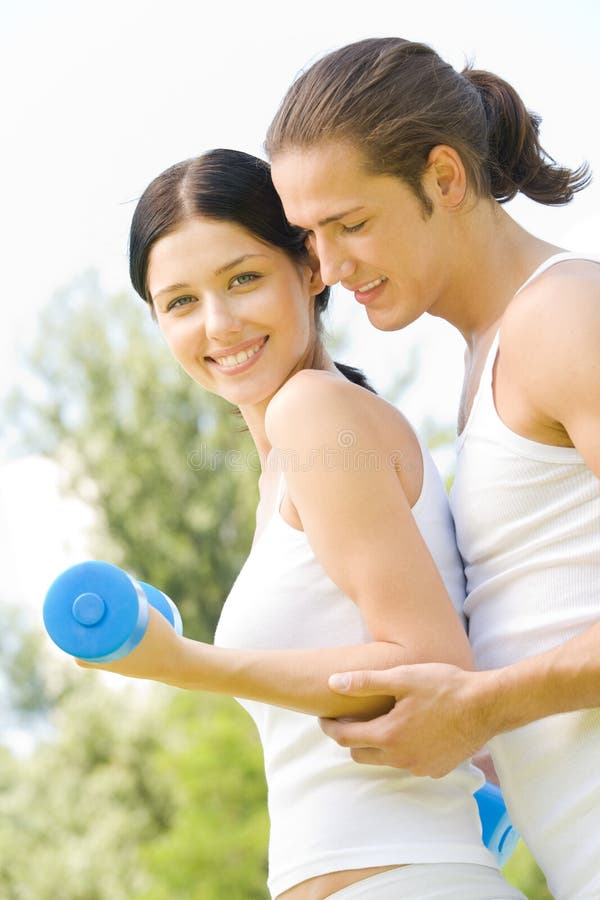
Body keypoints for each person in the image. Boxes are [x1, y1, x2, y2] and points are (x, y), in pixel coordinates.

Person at [77, 148, 524, 900]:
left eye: (242, 279)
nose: (219, 324)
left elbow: (429, 665)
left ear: (310, 267)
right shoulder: (290, 464)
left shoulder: (312, 410)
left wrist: (182, 662)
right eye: (180, 302)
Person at [265, 36, 600, 900]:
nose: (329, 267)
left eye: (351, 223)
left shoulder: (564, 317)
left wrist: (485, 705)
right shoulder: (489, 358)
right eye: (309, 235)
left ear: (444, 178)